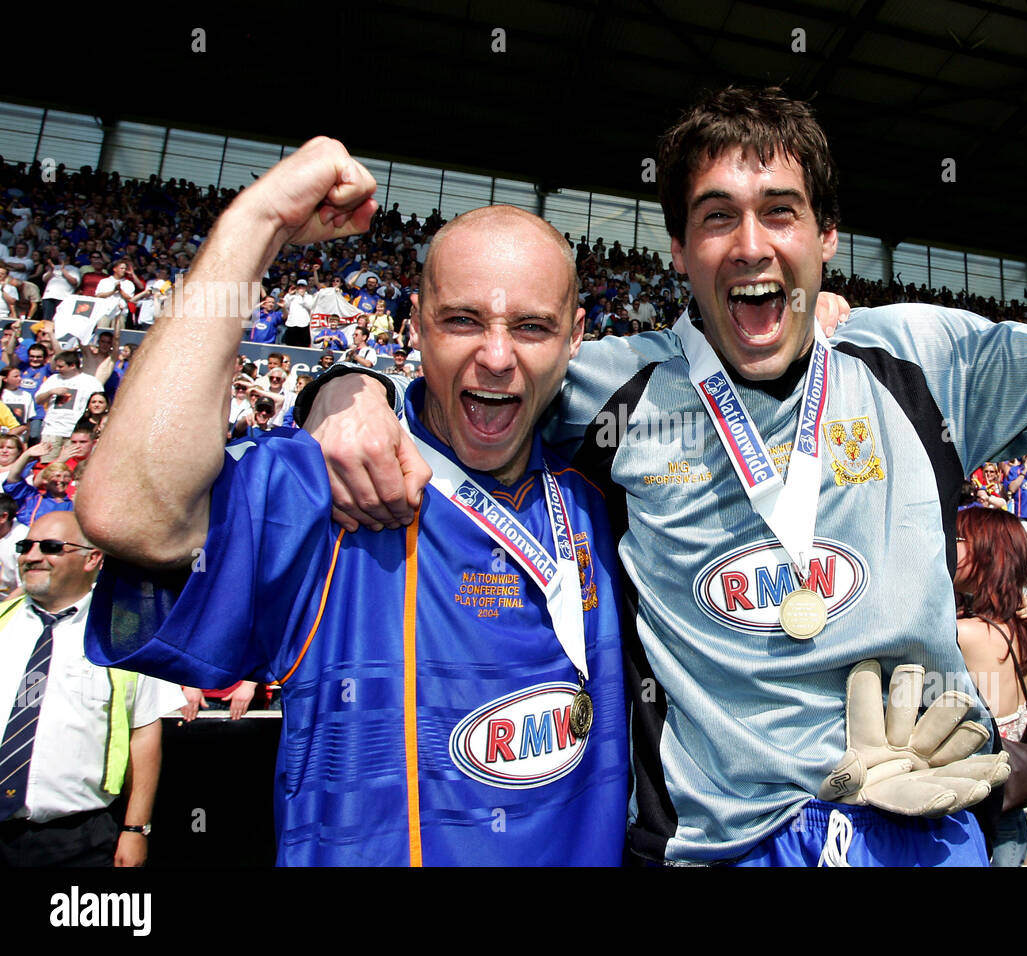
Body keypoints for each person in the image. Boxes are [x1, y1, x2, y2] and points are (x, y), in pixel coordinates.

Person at [301, 87, 1027, 865]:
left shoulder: (924, 362)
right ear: (678, 251)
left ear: (826, 236)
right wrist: (346, 389)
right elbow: (467, 383)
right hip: (727, 845)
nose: (749, 244)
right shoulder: (615, 387)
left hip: (924, 825)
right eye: (715, 216)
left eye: (780, 211)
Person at [77, 148, 628, 866]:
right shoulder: (331, 486)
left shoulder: (613, 505)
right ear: (416, 323)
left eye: (531, 327)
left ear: (576, 336)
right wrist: (256, 221)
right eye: (462, 320)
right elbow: (126, 512)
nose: (497, 357)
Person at [0, 511, 184, 866]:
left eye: (51, 547)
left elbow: (143, 735)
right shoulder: (3, 623)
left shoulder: (126, 636)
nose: (32, 556)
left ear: (92, 558)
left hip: (76, 842)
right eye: (25, 546)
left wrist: (135, 830)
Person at [953, 507, 1027, 867]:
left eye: (961, 539)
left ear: (986, 554)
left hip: (970, 787)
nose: (951, 546)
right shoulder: (1021, 628)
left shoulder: (962, 633)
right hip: (1013, 787)